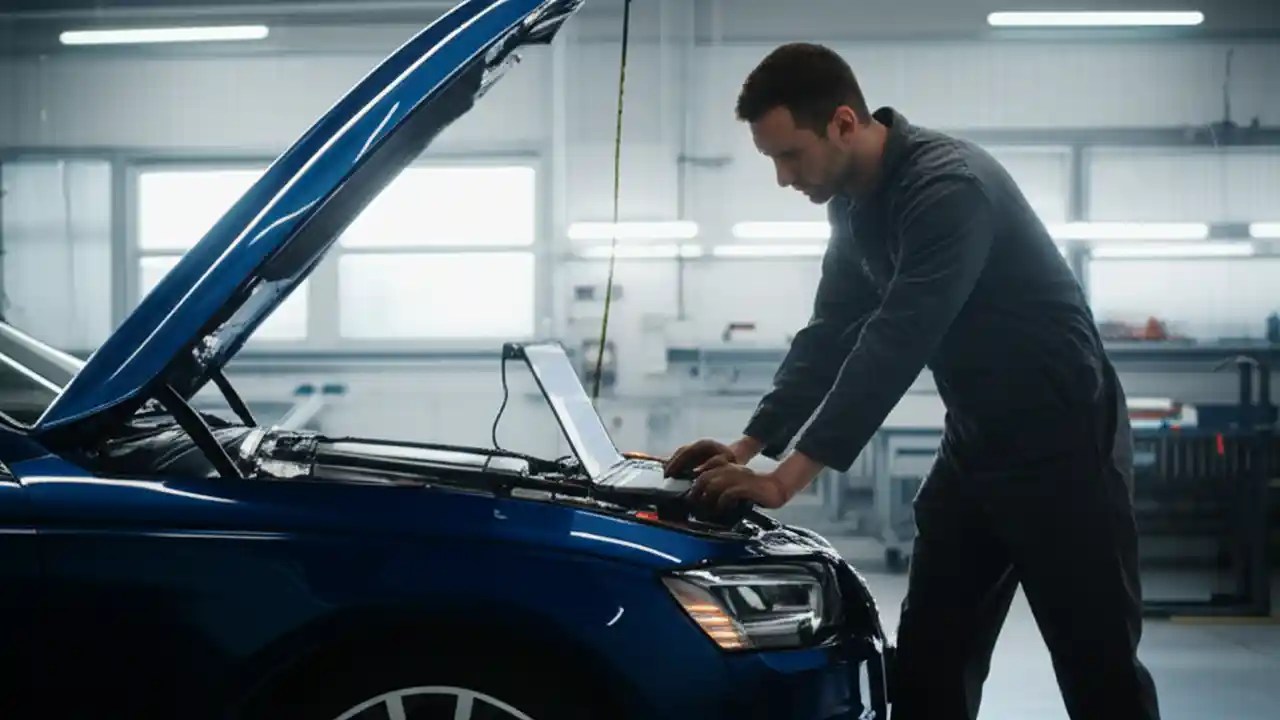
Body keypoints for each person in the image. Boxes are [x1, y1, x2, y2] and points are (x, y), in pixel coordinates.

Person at [663, 43, 1161, 720]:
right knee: (930, 659)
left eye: (788, 156)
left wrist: (787, 480)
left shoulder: (948, 189)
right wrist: (749, 446)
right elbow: (833, 329)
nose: (783, 178)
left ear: (843, 123)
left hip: (1067, 448)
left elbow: (896, 339)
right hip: (977, 447)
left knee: (1096, 664)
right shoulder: (851, 202)